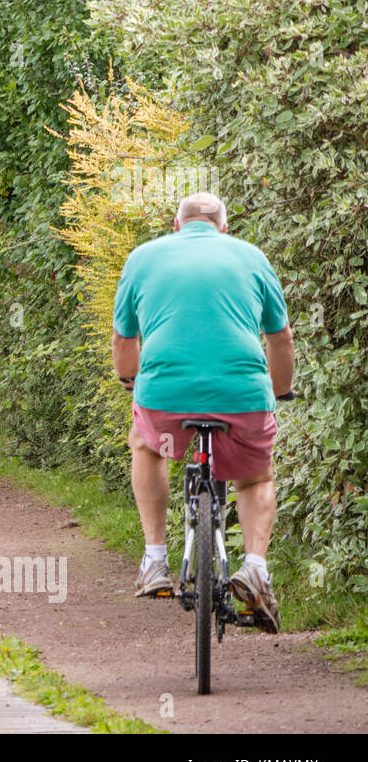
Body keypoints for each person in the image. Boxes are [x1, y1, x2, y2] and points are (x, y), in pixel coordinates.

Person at [112, 192, 295, 632]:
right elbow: (281, 338)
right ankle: (254, 567)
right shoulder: (251, 257)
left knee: (148, 445)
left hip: (165, 396)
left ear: (176, 226)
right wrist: (281, 391)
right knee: (255, 475)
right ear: (223, 228)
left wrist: (130, 383)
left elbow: (124, 343)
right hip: (242, 396)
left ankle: (155, 560)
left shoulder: (143, 257)